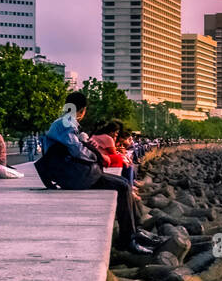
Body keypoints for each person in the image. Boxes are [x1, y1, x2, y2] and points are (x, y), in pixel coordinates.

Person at [36, 91, 151, 254]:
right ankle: (128, 239)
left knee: (124, 184)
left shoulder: (63, 122)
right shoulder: (66, 123)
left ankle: (132, 232)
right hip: (74, 176)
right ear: (82, 110)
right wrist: (96, 155)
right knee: (123, 187)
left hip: (73, 173)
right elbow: (76, 150)